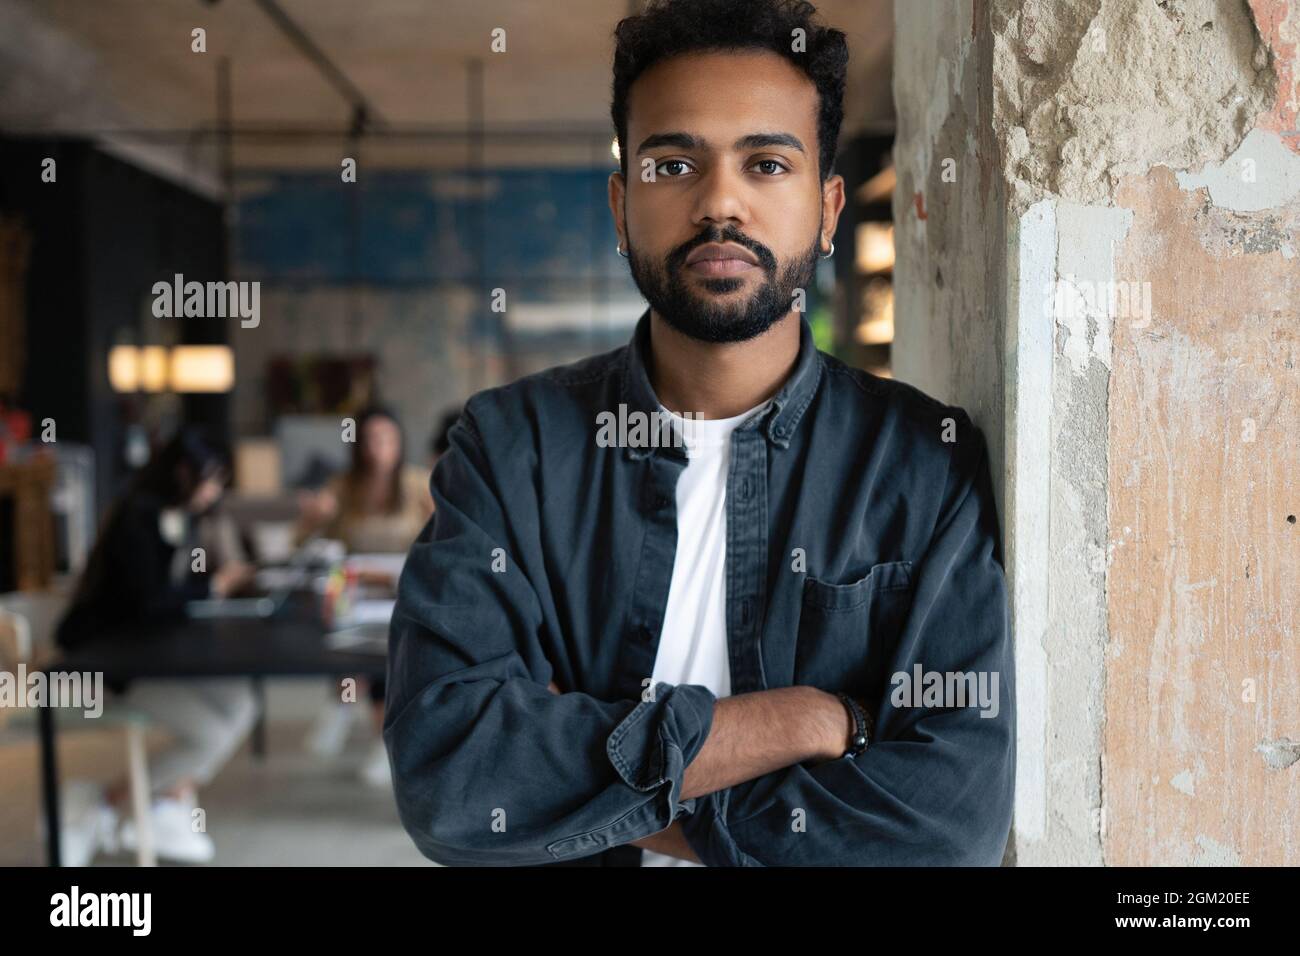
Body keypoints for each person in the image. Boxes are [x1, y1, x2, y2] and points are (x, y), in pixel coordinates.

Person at [385, 0, 1014, 867]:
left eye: (766, 163)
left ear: (830, 210)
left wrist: (596, 789)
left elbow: (949, 826)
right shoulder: (511, 447)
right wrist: (808, 720)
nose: (720, 202)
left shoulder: (922, 460)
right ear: (620, 207)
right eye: (674, 163)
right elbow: (450, 777)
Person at [56, 426, 259, 864]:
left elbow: (164, 595)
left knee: (242, 699)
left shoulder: (172, 514)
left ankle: (162, 799)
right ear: (185, 473)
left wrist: (210, 584)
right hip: (108, 666)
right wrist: (212, 589)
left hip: (148, 654)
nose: (213, 493)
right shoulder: (139, 515)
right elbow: (149, 602)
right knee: (209, 733)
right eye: (210, 481)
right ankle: (107, 802)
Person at [295, 405, 432, 786]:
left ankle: (380, 735)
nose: (377, 448)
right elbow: (302, 544)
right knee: (348, 644)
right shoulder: (342, 486)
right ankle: (345, 706)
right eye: (369, 439)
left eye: (386, 439)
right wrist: (313, 519)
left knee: (389, 654)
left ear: (399, 442)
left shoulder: (418, 484)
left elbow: (441, 543)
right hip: (354, 592)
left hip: (402, 592)